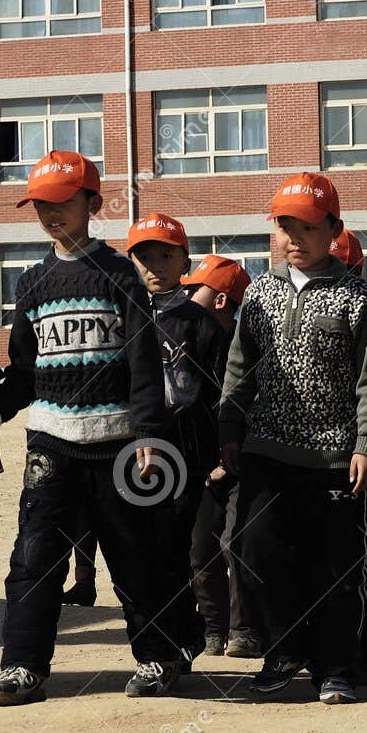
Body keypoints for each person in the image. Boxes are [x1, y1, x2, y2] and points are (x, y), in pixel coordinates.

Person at [0, 150, 187, 706]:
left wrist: (147, 434)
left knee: (133, 554)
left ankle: (160, 655)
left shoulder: (119, 274)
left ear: (92, 204)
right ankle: (23, 668)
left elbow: (144, 362)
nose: (51, 215)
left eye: (62, 203)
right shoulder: (31, 283)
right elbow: (23, 371)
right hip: (50, 443)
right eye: (41, 206)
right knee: (34, 555)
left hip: (118, 442)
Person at [220, 172, 367, 705]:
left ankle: (335, 667)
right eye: (285, 227)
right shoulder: (261, 293)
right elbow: (238, 369)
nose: (294, 238)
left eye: (307, 227)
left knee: (335, 567)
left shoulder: (357, 297)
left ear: (334, 229)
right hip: (266, 449)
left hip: (335, 458)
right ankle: (285, 647)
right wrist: (228, 432)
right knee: (252, 548)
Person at [127, 213, 226, 658]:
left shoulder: (200, 323)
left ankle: (193, 630)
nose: (154, 265)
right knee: (142, 549)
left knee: (187, 546)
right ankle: (164, 634)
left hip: (189, 449)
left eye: (165, 255)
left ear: (185, 258)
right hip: (134, 449)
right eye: (143, 257)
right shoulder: (125, 317)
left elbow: (223, 392)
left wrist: (224, 451)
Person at [181, 255, 262, 659]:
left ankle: (244, 629)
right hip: (199, 468)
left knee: (237, 543)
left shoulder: (249, 350)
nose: (185, 296)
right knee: (200, 548)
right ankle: (213, 630)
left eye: (195, 289)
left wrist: (227, 459)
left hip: (242, 466)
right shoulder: (184, 344)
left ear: (220, 301)